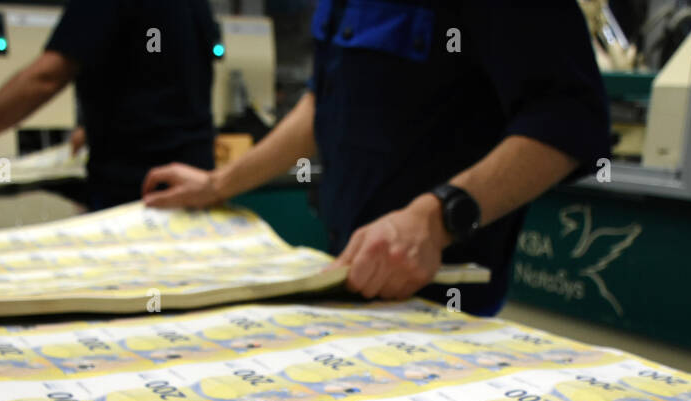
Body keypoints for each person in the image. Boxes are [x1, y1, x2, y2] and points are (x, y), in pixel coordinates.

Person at [142, 1, 610, 315]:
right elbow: (322, 104)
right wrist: (218, 184)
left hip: (442, 305)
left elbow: (570, 118)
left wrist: (432, 219)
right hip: (347, 281)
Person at [0, 0, 221, 210]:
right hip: (192, 185)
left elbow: (45, 78)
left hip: (137, 196)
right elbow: (163, 76)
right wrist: (102, 123)